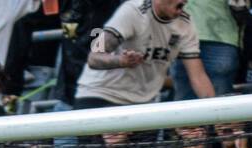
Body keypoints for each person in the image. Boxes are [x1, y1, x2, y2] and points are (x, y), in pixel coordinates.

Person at [75, 0, 217, 109]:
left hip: (143, 104)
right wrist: (120, 61)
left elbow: (198, 76)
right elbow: (93, 57)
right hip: (101, 95)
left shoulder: (185, 24)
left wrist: (218, 112)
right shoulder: (133, 10)